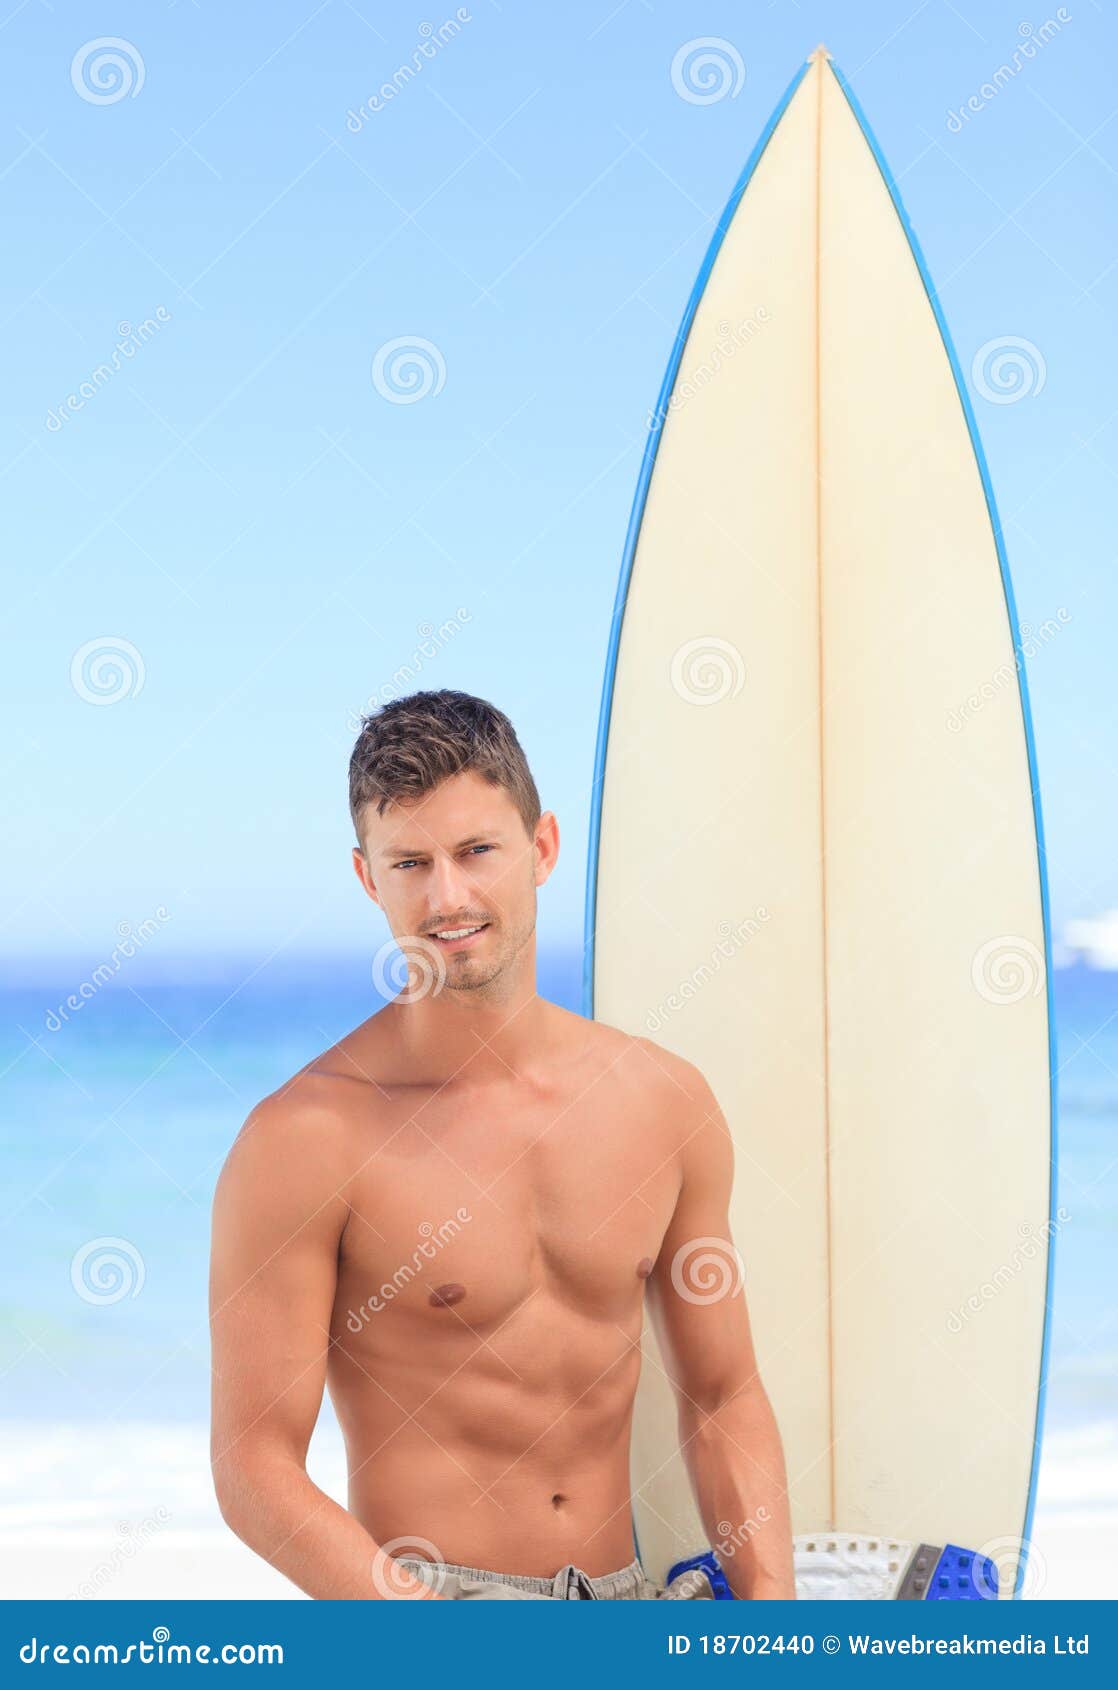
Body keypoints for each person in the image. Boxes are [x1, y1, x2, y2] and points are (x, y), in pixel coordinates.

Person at [209, 689, 795, 1600]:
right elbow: (254, 1466)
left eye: (476, 851)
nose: (447, 897)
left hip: (625, 1598)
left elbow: (724, 1394)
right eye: (411, 863)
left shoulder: (663, 1102)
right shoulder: (304, 1138)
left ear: (543, 848)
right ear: (369, 879)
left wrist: (773, 1615)